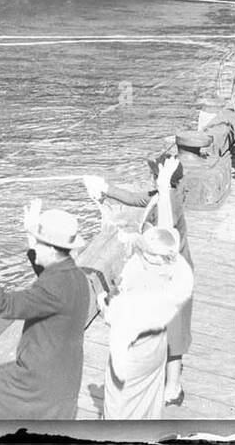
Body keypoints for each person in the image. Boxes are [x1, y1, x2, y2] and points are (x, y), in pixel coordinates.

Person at [84, 144, 198, 406]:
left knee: (175, 330)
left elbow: (165, 231)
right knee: (165, 326)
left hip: (173, 275)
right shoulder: (162, 193)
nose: (150, 178)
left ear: (165, 178)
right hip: (159, 273)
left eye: (153, 174)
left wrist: (132, 239)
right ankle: (167, 382)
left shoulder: (171, 199)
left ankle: (174, 388)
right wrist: (105, 188)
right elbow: (136, 199)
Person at [0, 204, 91, 420]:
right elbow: (47, 279)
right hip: (65, 377)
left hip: (39, 383)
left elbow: (5, 306)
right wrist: (31, 231)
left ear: (53, 249)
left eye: (38, 243)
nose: (33, 247)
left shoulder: (53, 287)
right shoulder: (75, 276)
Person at [98, 225, 193, 419]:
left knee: (118, 406)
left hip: (134, 356)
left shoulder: (141, 286)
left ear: (153, 258)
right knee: (149, 402)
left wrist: (104, 306)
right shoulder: (174, 276)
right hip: (156, 349)